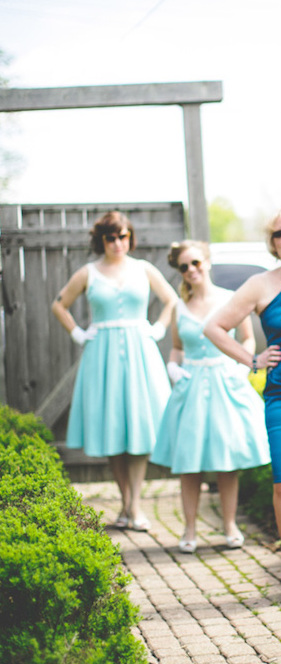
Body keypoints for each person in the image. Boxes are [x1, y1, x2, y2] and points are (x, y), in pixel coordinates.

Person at [204, 209, 281, 607]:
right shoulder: (259, 284)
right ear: (272, 243)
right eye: (279, 233)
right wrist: (252, 359)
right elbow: (213, 327)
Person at [52, 210, 177, 532]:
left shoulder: (144, 269)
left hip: (140, 353)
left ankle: (131, 507)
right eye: (111, 237)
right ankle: (130, 506)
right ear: (101, 240)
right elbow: (59, 305)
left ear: (130, 238)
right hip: (102, 356)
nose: (118, 242)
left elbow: (171, 300)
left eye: (123, 236)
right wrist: (78, 333)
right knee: (112, 428)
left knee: (139, 426)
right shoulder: (88, 273)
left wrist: (158, 329)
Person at [151, 240, 271, 553]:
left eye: (195, 263)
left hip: (225, 382)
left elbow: (246, 337)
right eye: (184, 266)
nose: (191, 270)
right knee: (189, 462)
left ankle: (229, 524)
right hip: (191, 385)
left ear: (207, 261)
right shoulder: (179, 307)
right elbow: (177, 346)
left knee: (226, 459)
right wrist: (173, 366)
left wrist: (242, 367)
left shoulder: (230, 299)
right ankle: (189, 528)